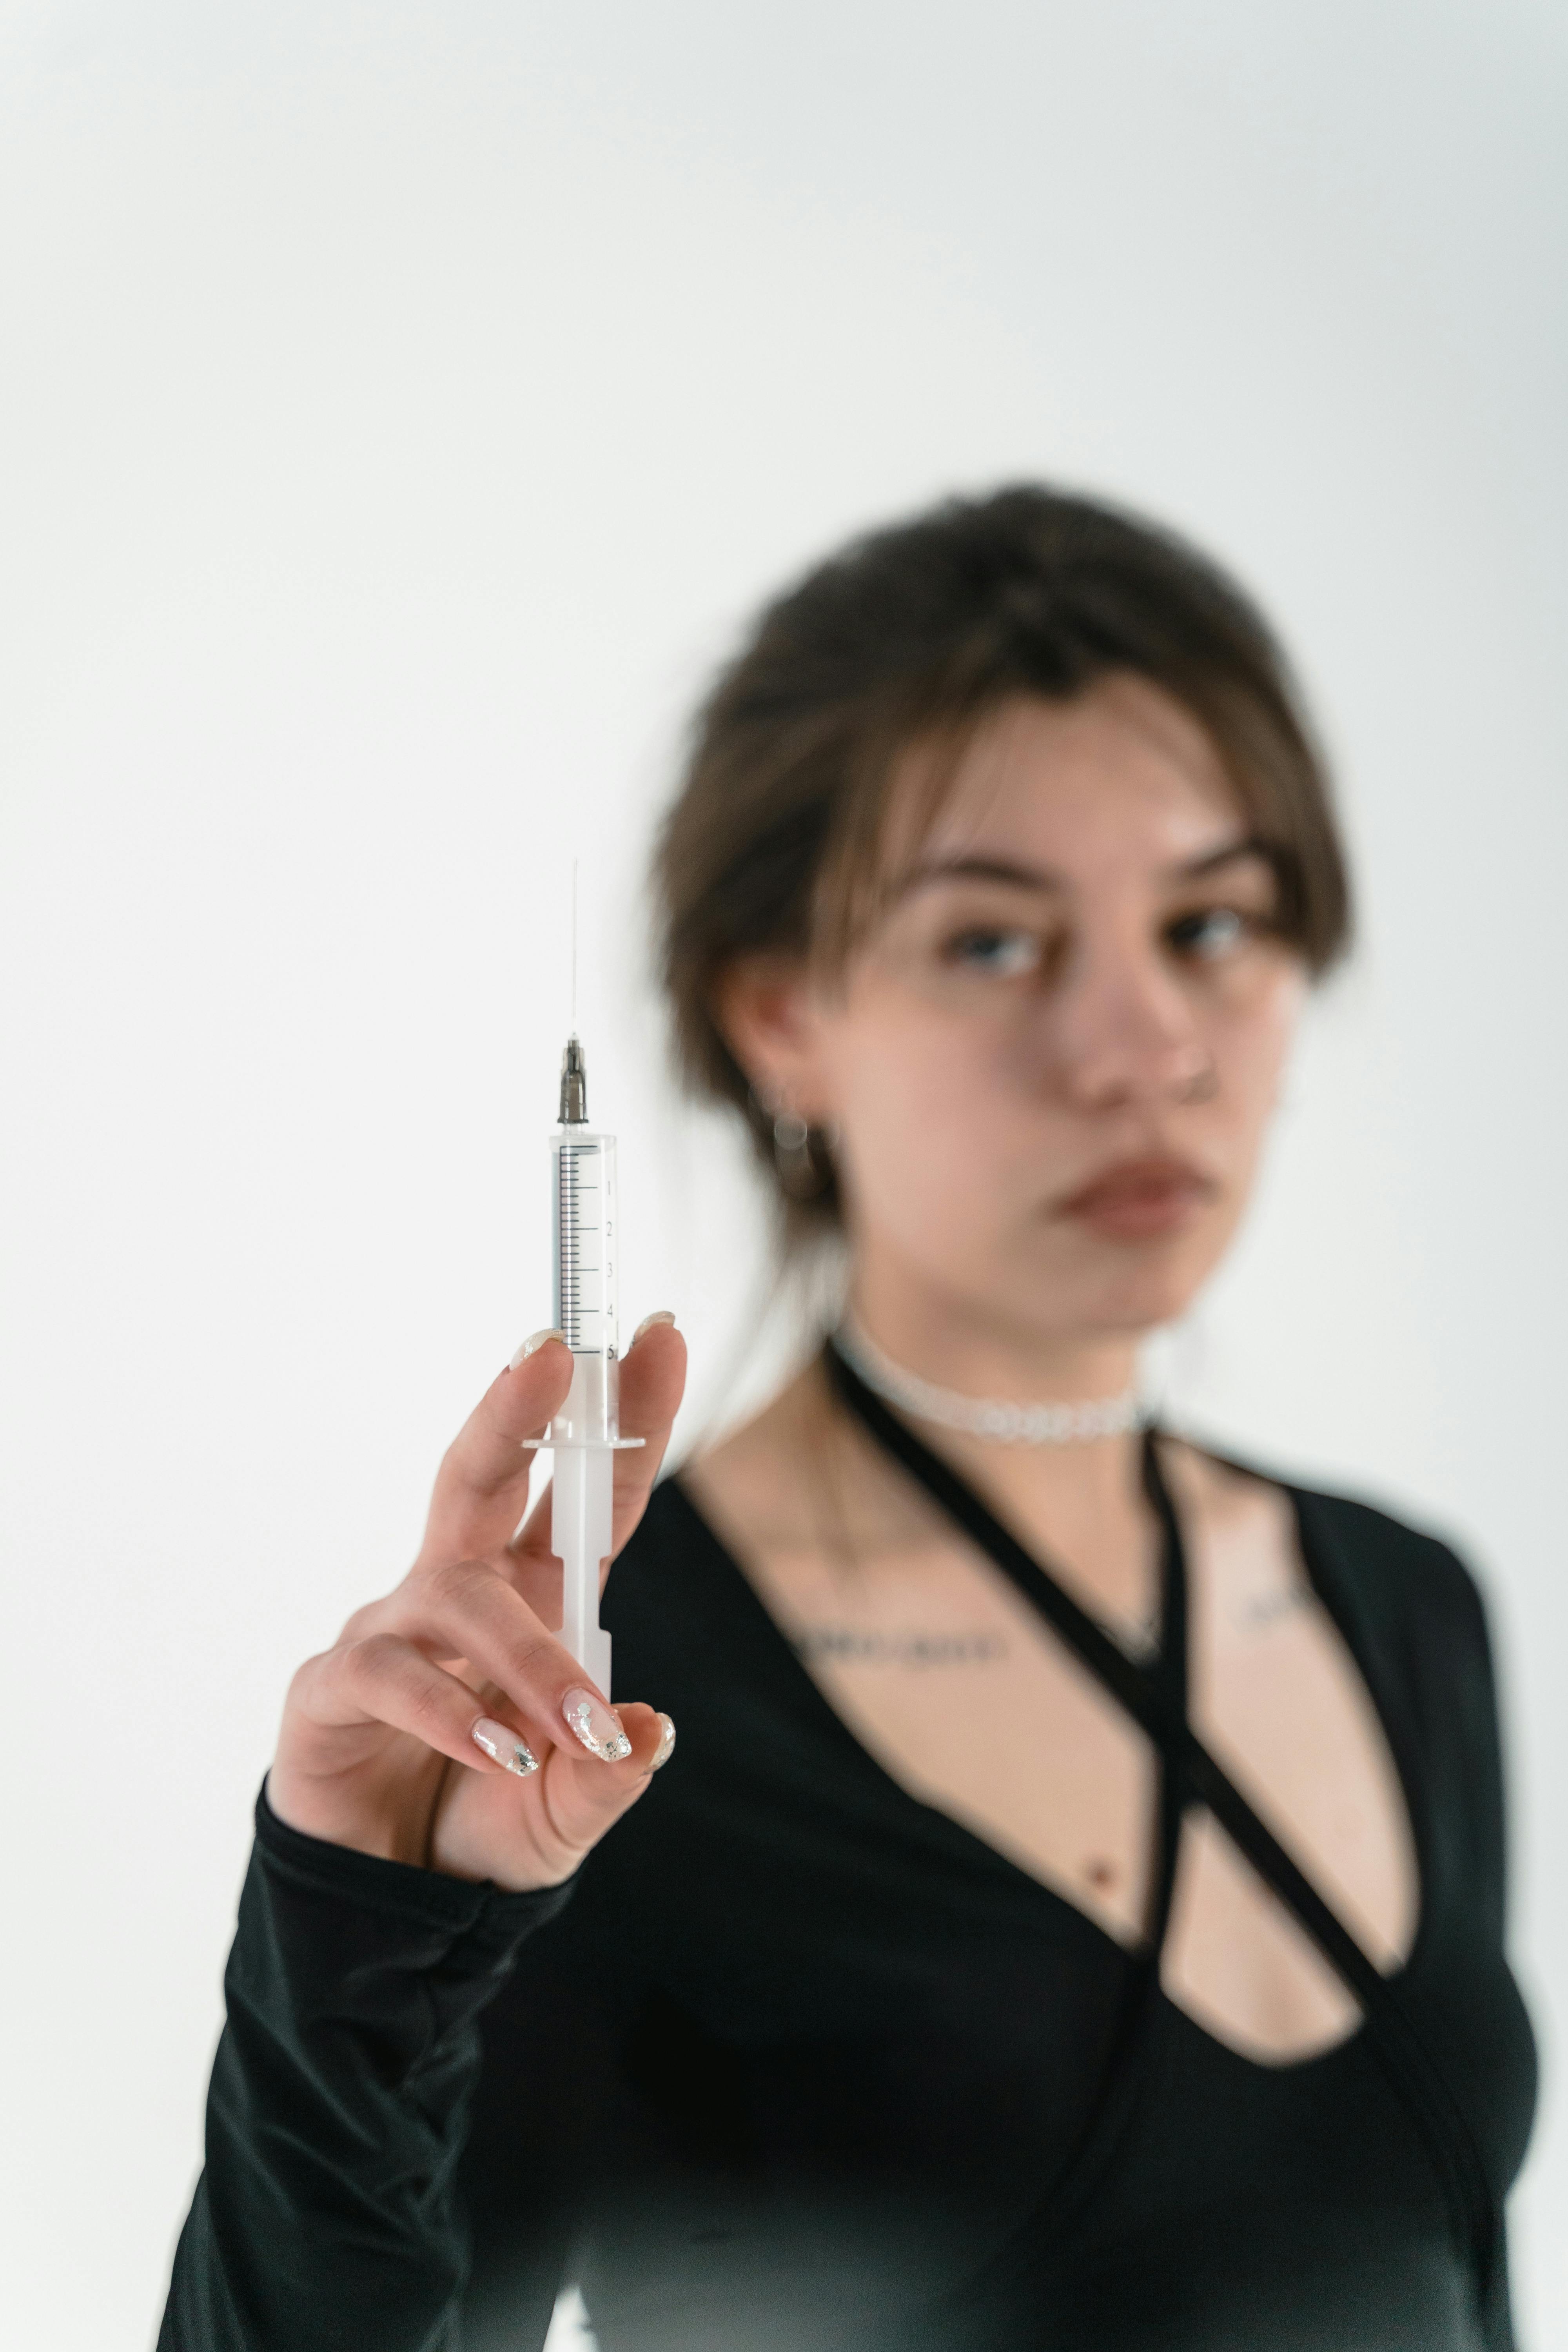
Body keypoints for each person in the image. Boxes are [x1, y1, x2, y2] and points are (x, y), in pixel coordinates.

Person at [158, 486, 1536, 2352]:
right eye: (992, 943)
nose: (1145, 1047)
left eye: (1214, 922)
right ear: (777, 1012)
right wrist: (356, 1956)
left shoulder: (1401, 1604)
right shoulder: (604, 1711)